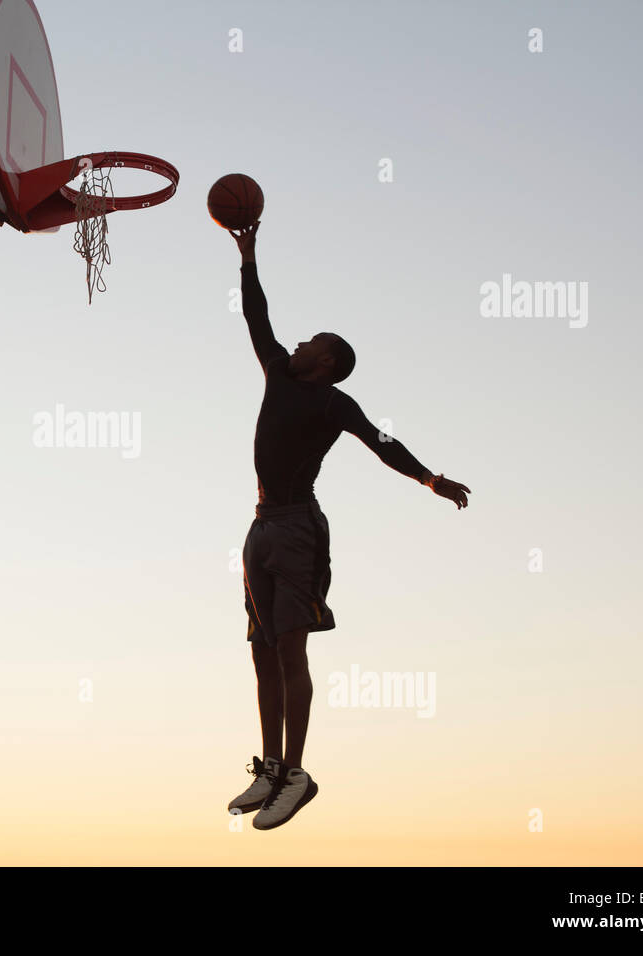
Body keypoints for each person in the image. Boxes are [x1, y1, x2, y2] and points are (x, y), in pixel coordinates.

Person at [226, 221, 471, 830]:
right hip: (259, 526)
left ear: (328, 361)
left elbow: (382, 443)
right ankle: (272, 769)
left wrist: (430, 479)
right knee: (260, 650)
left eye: (313, 341)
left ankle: (298, 774)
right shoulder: (280, 372)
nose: (299, 342)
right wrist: (247, 253)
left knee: (289, 649)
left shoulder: (334, 403)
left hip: (299, 529)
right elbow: (256, 316)